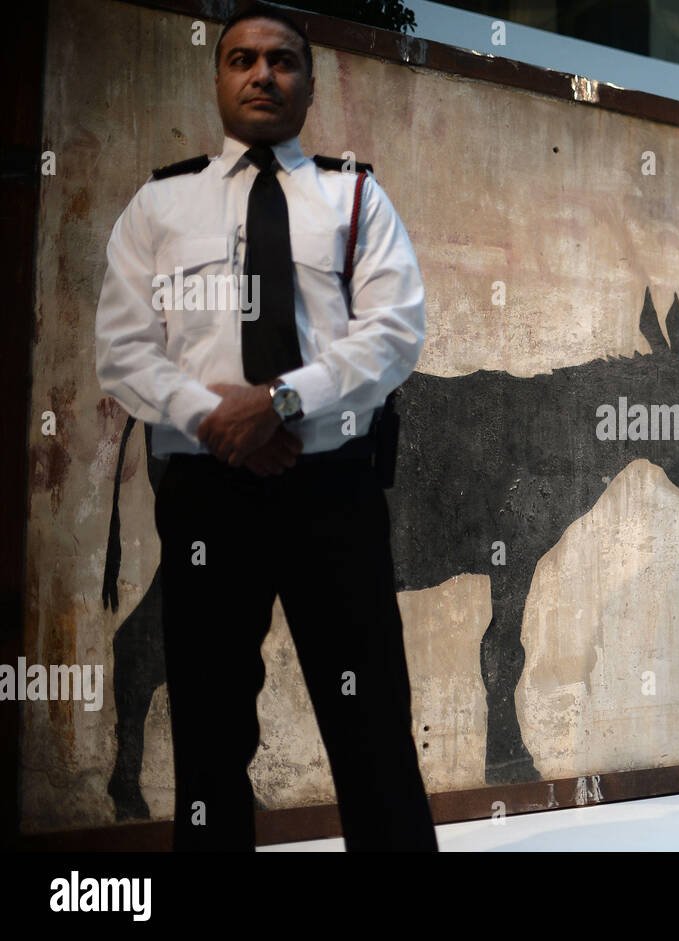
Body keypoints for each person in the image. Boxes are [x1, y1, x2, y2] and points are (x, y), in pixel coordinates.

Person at [94, 4, 436, 851]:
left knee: (373, 732)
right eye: (241, 59)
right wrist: (218, 418)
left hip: (335, 495)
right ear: (218, 79)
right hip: (209, 497)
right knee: (209, 738)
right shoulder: (160, 203)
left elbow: (394, 332)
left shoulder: (355, 195)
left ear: (309, 84)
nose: (262, 75)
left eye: (282, 62)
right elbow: (124, 349)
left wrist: (276, 402)